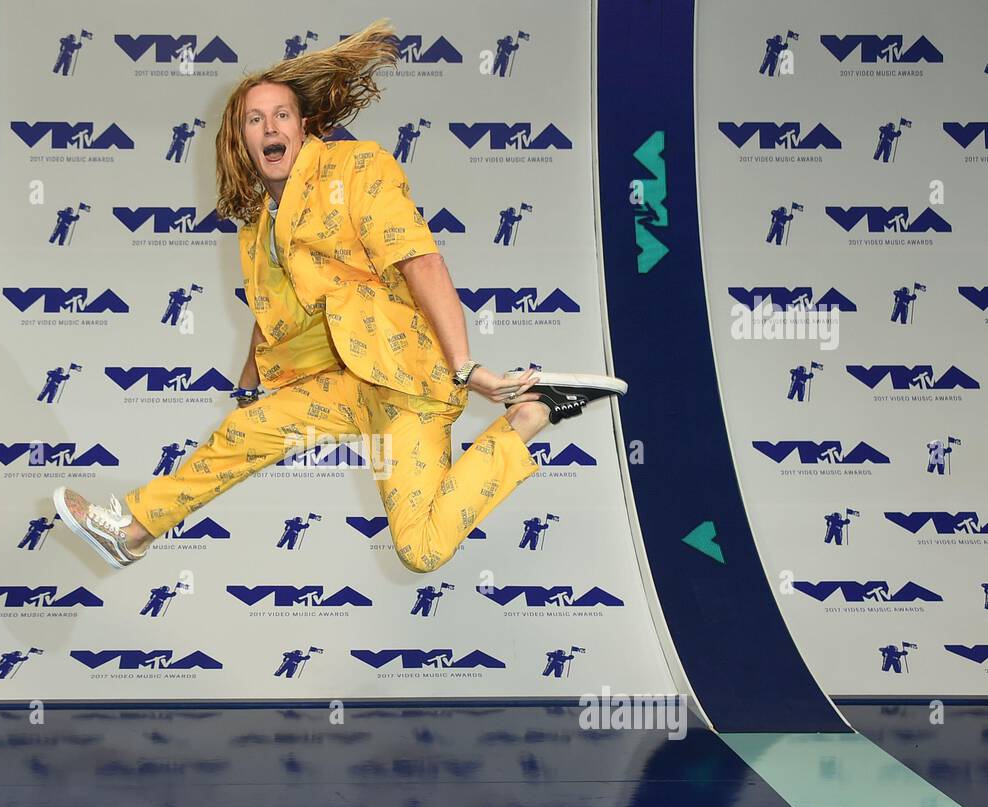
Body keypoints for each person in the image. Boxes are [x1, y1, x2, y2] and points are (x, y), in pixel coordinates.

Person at [52, 21, 626, 574]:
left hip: (408, 376)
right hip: (344, 380)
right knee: (242, 433)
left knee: (421, 552)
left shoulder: (357, 168)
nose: (270, 126)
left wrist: (465, 367)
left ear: (302, 126)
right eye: (255, 118)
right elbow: (271, 312)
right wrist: (249, 385)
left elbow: (421, 261)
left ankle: (528, 416)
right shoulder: (258, 224)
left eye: (281, 114)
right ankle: (132, 532)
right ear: (240, 138)